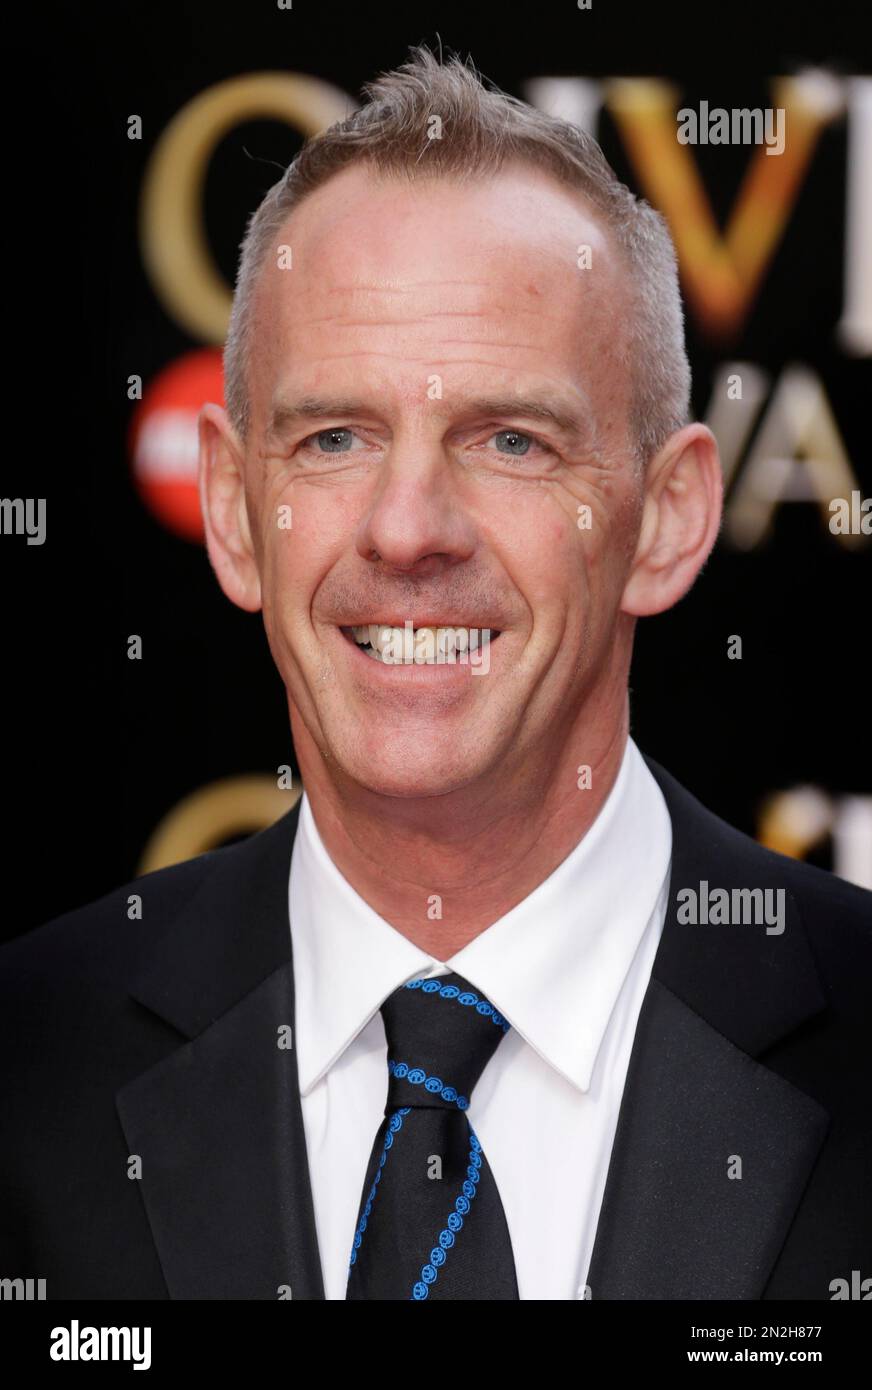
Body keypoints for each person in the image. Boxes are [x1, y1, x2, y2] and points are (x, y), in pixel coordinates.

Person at [1, 45, 869, 1302]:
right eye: (334, 437)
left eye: (508, 439)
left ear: (669, 517)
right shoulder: (26, 1063)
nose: (407, 528)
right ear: (237, 516)